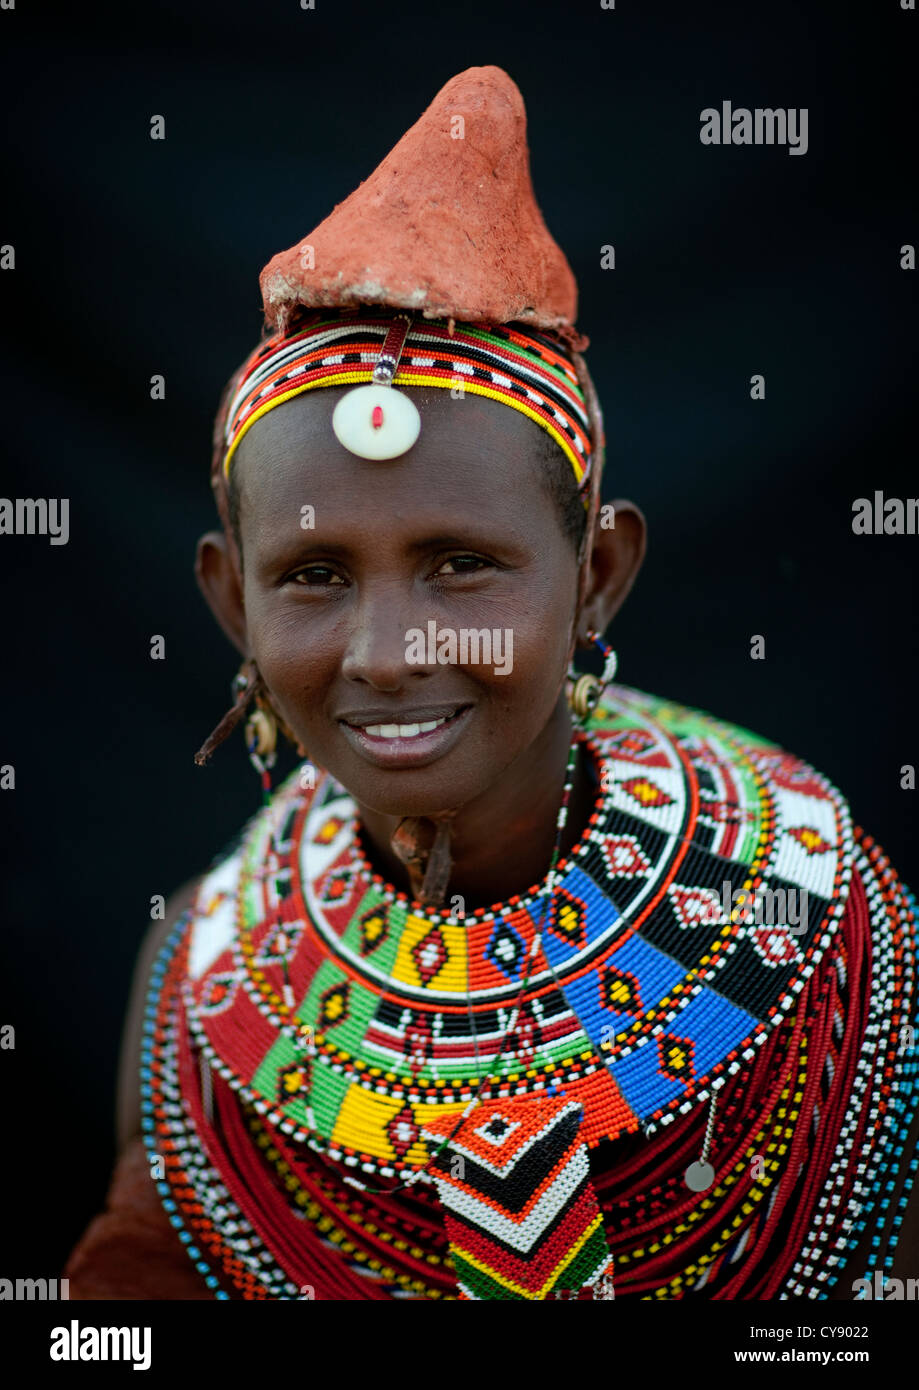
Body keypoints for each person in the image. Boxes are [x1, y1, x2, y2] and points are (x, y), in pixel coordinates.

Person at [65, 65, 919, 1301]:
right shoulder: (203, 977)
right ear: (229, 603)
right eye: (311, 573)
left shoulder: (820, 925)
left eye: (462, 564)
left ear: (597, 576)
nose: (389, 651)